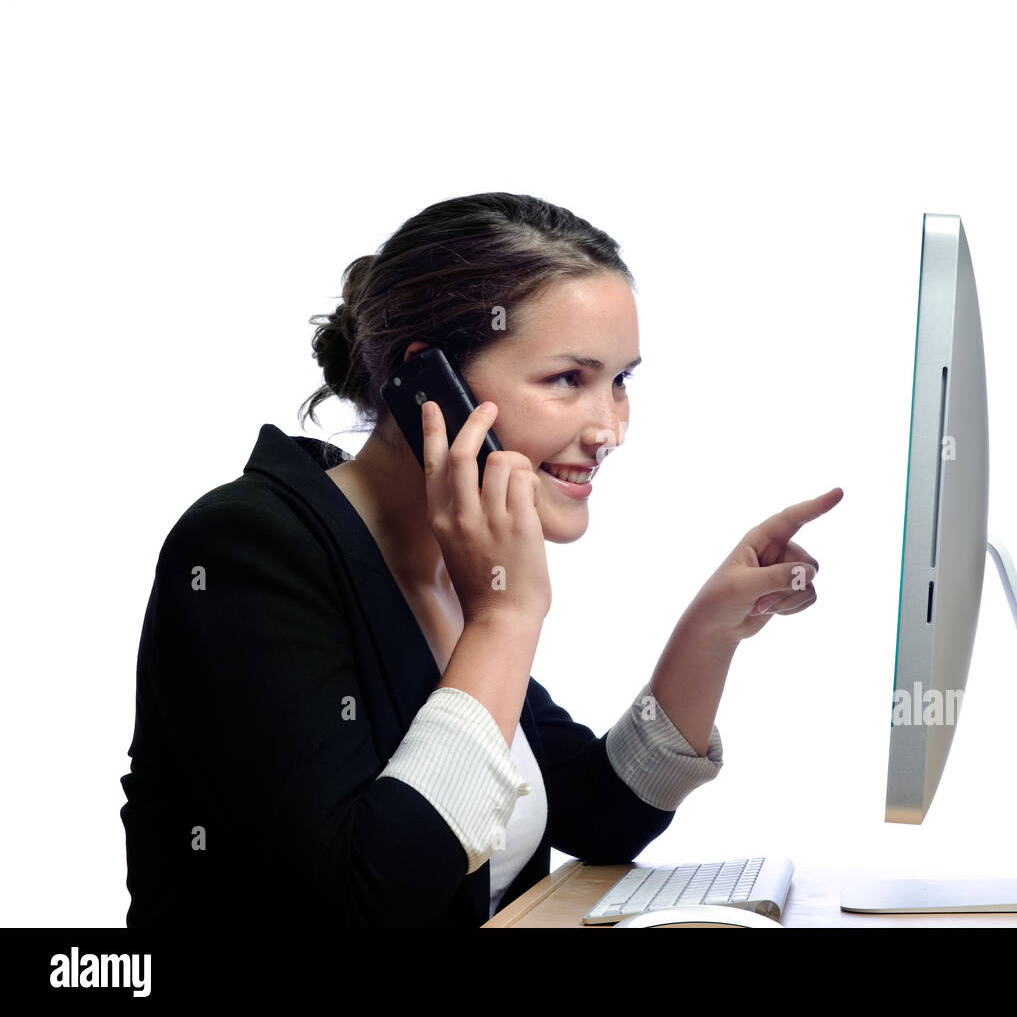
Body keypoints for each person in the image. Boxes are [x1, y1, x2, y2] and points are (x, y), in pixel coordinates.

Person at [119, 193, 843, 927]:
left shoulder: (452, 562)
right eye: (569, 379)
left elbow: (598, 814)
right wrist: (505, 616)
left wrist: (710, 630)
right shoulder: (251, 549)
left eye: (621, 381)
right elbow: (360, 902)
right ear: (428, 384)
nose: (610, 430)